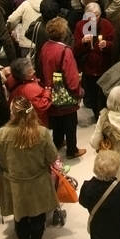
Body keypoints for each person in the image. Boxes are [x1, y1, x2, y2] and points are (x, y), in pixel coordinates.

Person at [0, 102, 59, 239]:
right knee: (39, 216)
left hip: (14, 184)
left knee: (20, 217)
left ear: (12, 114)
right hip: (39, 183)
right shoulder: (43, 132)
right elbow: (53, 157)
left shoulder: (2, 134)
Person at [38, 17, 85, 159]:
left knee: (56, 120)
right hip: (65, 95)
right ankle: (72, 150)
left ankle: (57, 143)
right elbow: (71, 78)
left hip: (50, 90)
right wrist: (78, 92)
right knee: (70, 122)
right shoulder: (65, 51)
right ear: (64, 32)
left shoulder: (45, 47)